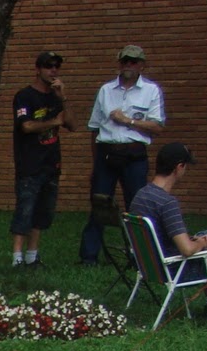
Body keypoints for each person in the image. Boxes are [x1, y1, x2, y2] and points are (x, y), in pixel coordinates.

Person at [79, 45, 165, 265]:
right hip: (106, 154)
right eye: (125, 61)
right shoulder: (106, 90)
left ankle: (138, 257)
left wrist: (128, 121)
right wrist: (94, 162)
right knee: (99, 204)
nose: (128, 65)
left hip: (134, 155)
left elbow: (157, 127)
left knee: (136, 208)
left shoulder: (151, 90)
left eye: (133, 61)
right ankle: (89, 256)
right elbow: (94, 128)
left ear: (141, 65)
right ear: (119, 63)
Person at [128, 143, 207, 306]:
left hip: (149, 266)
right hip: (173, 270)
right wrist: (200, 242)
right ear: (178, 167)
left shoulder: (142, 195)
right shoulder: (167, 203)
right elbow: (186, 250)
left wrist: (197, 240)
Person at [10, 52, 73, 267]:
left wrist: (63, 97)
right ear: (38, 69)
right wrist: (53, 121)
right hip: (30, 163)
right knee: (25, 210)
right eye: (48, 66)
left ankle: (32, 255)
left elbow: (71, 125)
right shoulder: (25, 96)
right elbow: (26, 126)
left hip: (51, 162)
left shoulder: (55, 97)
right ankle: (16, 258)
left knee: (42, 212)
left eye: (56, 66)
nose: (53, 70)